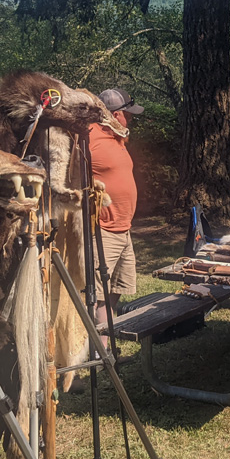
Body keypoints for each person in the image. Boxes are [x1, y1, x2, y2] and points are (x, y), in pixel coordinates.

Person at [90, 87, 143, 349]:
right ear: (116, 114)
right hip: (102, 229)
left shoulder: (116, 137)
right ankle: (99, 352)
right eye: (128, 115)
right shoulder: (88, 137)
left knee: (115, 291)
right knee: (98, 295)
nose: (131, 119)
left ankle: (108, 344)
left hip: (124, 229)